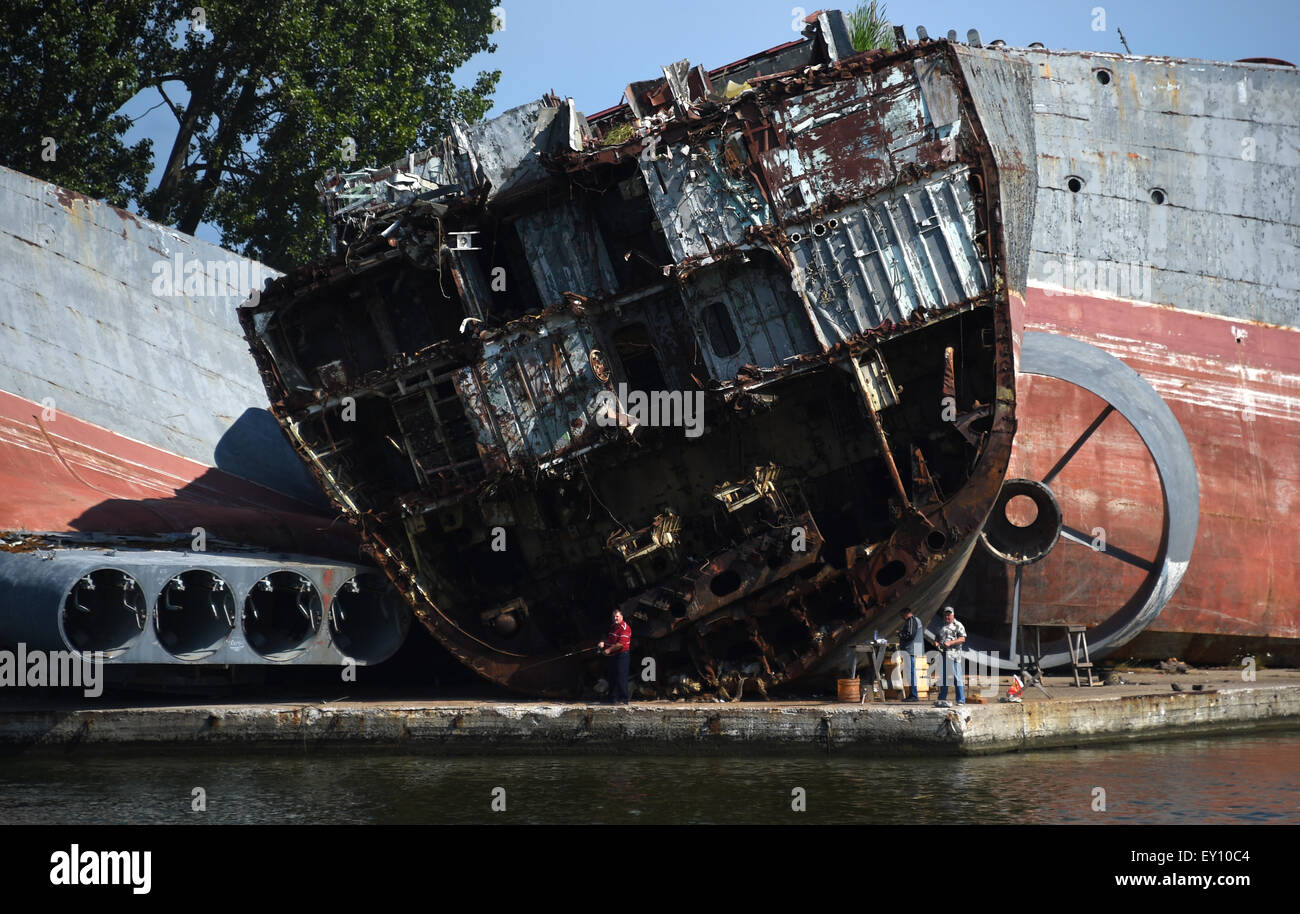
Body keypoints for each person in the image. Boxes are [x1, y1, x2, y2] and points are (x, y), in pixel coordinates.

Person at [598, 609, 631, 704]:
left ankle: (624, 700)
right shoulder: (613, 627)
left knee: (621, 677)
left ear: (622, 617)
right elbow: (610, 640)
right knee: (612, 677)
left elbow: (620, 644)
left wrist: (608, 650)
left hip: (622, 655)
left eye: (617, 616)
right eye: (613, 616)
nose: (615, 618)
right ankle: (612, 698)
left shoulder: (625, 628)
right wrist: (603, 643)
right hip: (613, 655)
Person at [937, 605, 966, 705]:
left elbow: (962, 639)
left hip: (954, 655)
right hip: (944, 655)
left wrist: (950, 643)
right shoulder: (942, 625)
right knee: (944, 678)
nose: (947, 617)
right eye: (946, 615)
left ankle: (961, 700)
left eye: (949, 615)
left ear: (953, 615)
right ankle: (942, 698)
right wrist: (936, 643)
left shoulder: (958, 625)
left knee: (957, 677)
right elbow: (937, 638)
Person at [897, 606, 923, 701]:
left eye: (902, 615)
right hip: (911, 649)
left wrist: (900, 634)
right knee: (910, 672)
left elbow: (910, 635)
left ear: (905, 613)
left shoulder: (912, 620)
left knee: (911, 672)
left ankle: (913, 695)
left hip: (911, 650)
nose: (901, 618)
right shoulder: (914, 620)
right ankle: (912, 694)